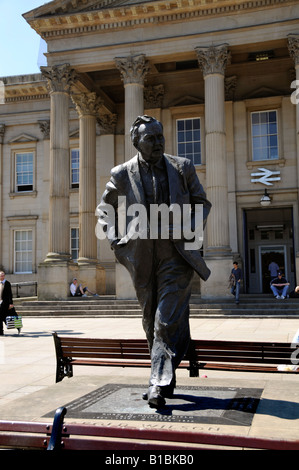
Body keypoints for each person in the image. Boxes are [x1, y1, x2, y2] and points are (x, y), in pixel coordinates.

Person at [97, 115, 211, 409]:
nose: (158, 142)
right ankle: (167, 374)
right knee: (151, 321)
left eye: (160, 137)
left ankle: (157, 384)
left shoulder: (182, 167)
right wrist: (115, 240)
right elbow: (104, 209)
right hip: (143, 259)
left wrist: (189, 233)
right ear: (137, 142)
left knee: (164, 321)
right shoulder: (122, 173)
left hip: (177, 258)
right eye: (151, 138)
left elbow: (202, 202)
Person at [0, 271, 14, 336]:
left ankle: (16, 326)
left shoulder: (7, 283)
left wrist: (10, 303)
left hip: (5, 303)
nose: (1, 277)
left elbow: (10, 294)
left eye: (2, 275)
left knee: (4, 317)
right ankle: (1, 331)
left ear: (4, 276)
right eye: (0, 275)